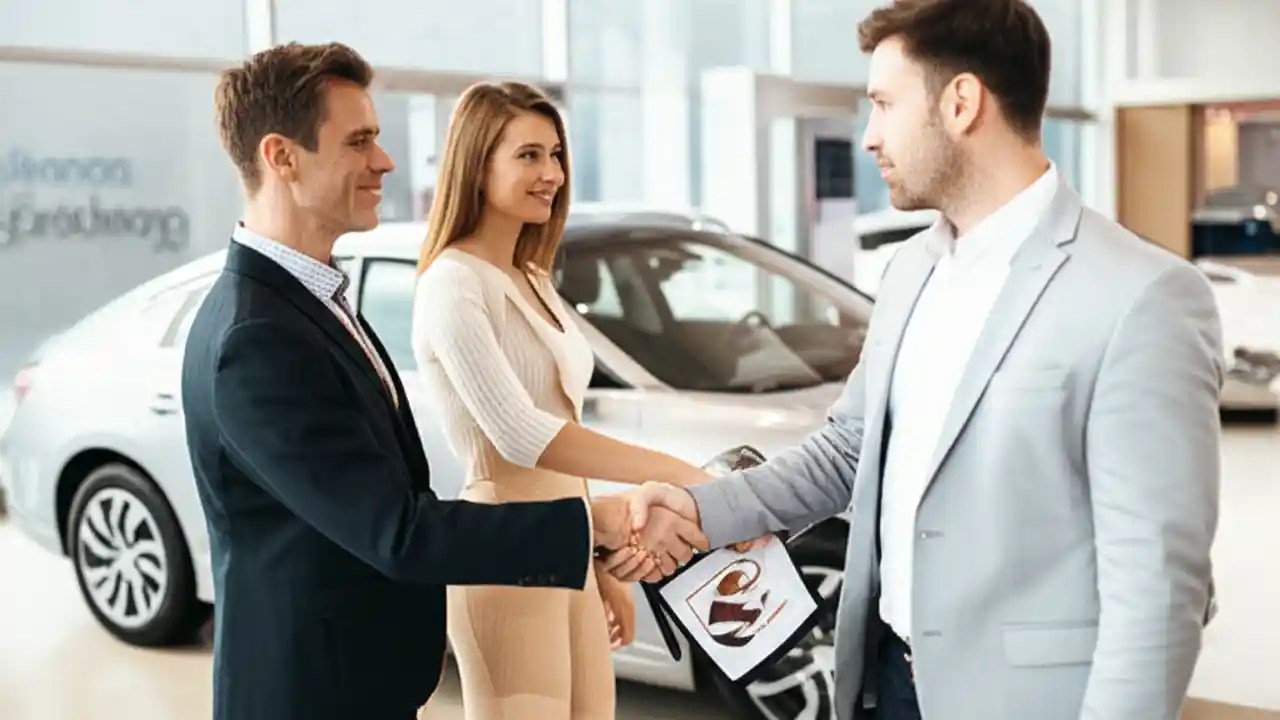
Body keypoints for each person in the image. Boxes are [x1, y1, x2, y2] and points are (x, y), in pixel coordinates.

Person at [615, 2, 1224, 719]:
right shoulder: (912, 269)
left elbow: (1156, 587)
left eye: (883, 104)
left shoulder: (1140, 296)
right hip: (883, 681)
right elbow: (848, 450)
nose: (870, 137)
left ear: (961, 102)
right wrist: (696, 508)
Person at [181, 43, 691, 720]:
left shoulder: (309, 303)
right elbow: (399, 532)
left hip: (360, 679)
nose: (385, 161)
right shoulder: (258, 338)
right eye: (360, 140)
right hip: (311, 694)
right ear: (282, 156)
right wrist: (593, 526)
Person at [409, 80, 717, 719]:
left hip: (565, 549)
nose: (550, 173)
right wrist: (675, 472)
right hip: (502, 554)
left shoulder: (532, 279)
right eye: (528, 155)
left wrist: (598, 563)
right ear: (477, 163)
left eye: (555, 155)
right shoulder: (453, 284)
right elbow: (524, 436)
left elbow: (561, 428)